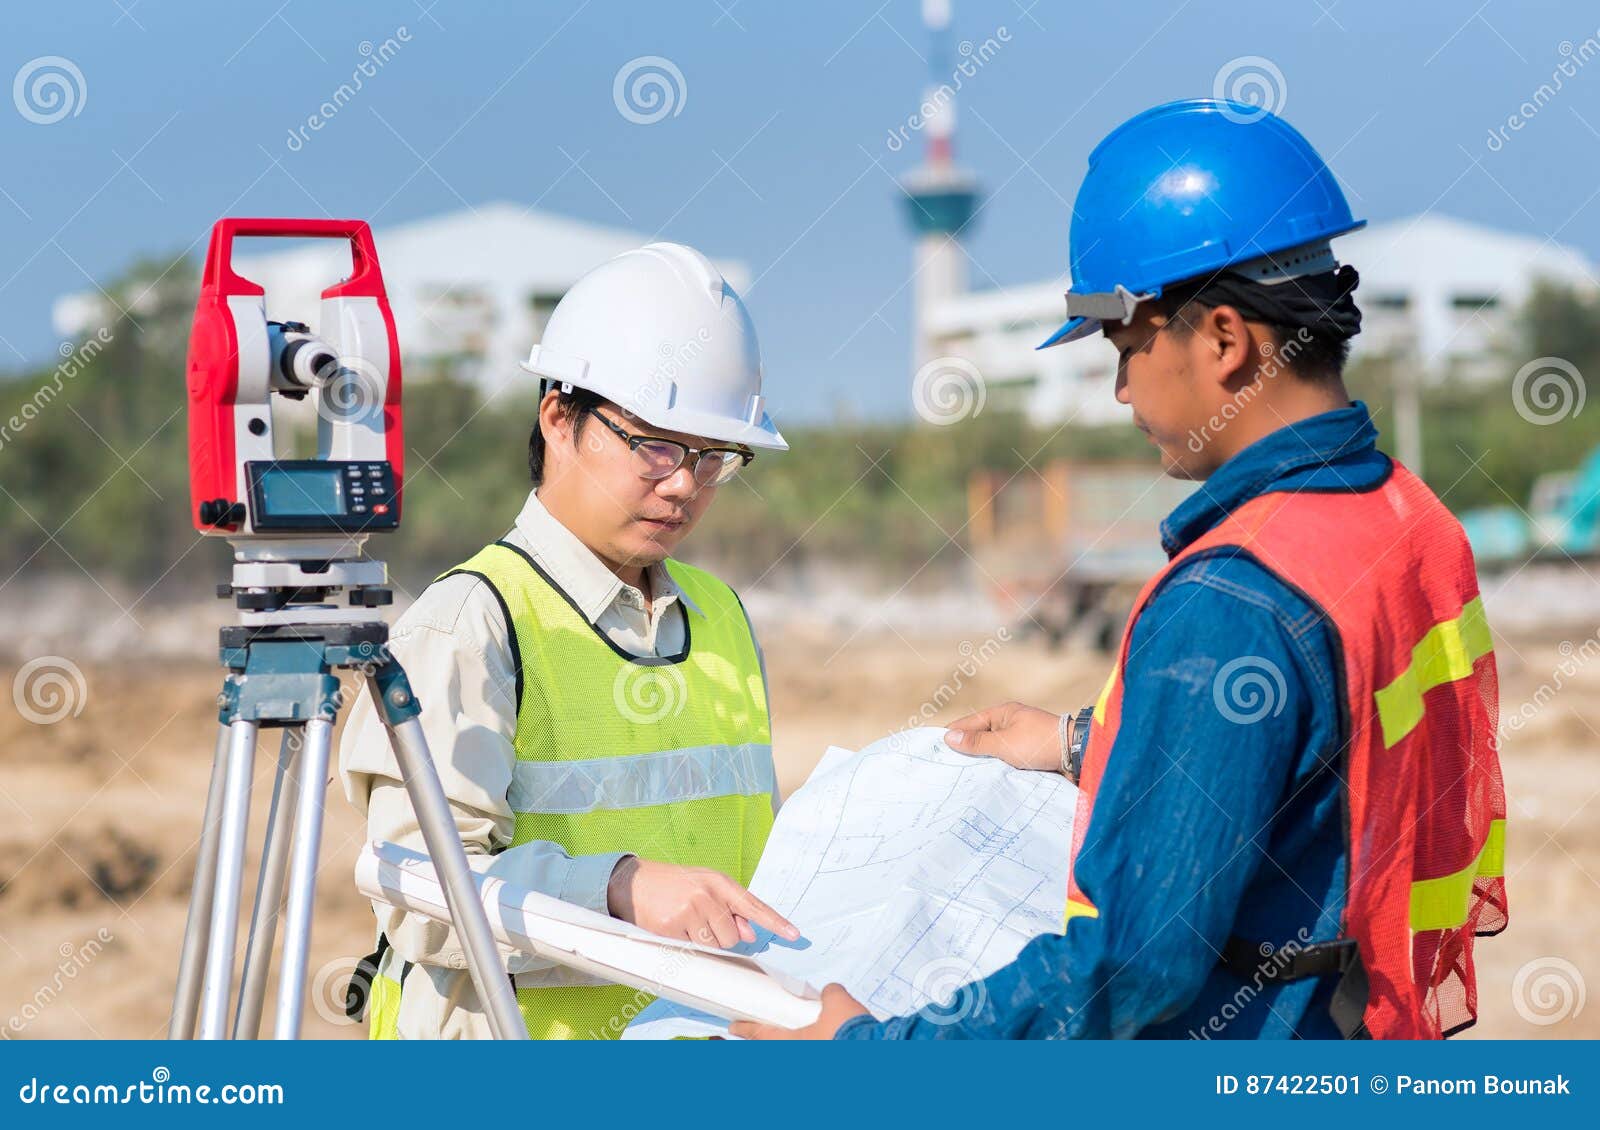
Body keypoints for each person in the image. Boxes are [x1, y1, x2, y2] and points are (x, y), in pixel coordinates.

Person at [733, 98, 1507, 1041]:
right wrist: (1087, 744)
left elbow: (1131, 968)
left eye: (1129, 347)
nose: (1119, 388)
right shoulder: (1408, 518)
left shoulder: (1233, 599)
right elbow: (1324, 766)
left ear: (1224, 341)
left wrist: (869, 1053)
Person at [340, 241, 799, 1040]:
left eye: (713, 457)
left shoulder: (722, 616)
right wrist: (617, 890)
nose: (684, 484)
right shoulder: (471, 623)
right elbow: (419, 897)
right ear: (559, 418)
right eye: (656, 445)